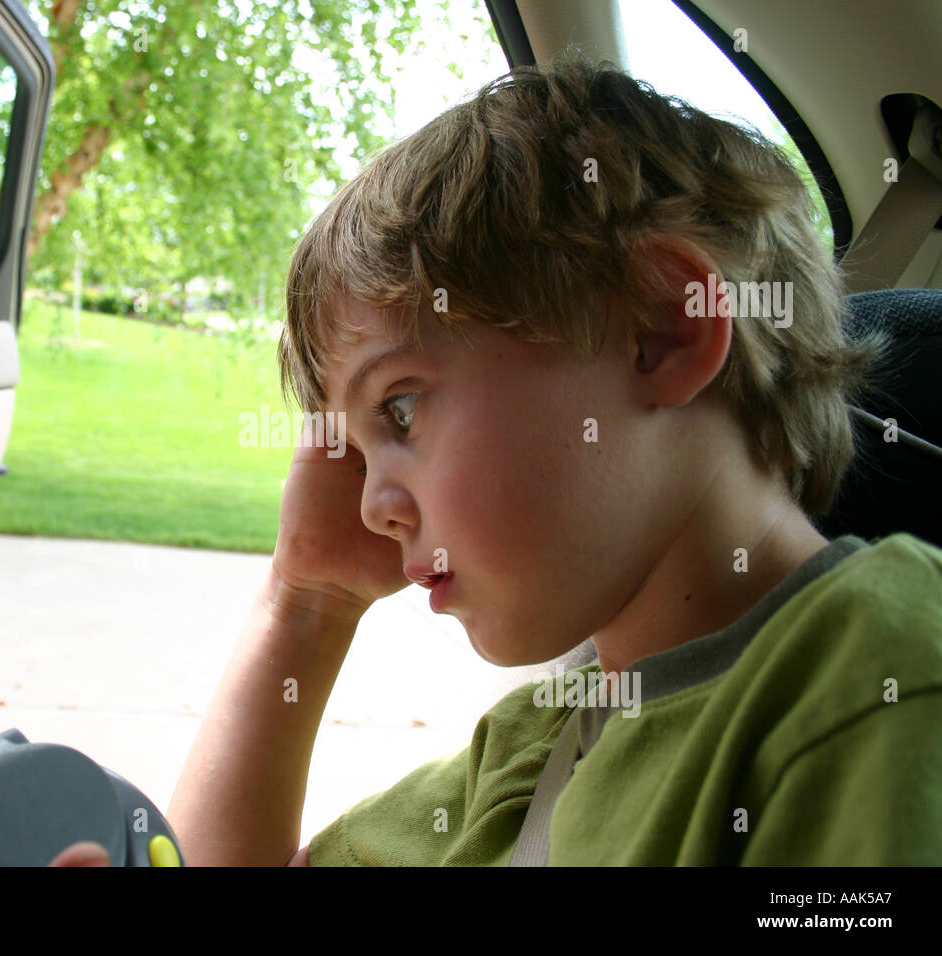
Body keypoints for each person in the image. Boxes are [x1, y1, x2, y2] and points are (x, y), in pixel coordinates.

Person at [54, 52, 942, 867]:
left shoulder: (879, 677)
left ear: (663, 330)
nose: (370, 506)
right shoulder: (537, 745)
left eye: (398, 408)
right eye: (355, 456)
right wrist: (307, 603)